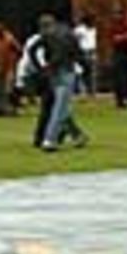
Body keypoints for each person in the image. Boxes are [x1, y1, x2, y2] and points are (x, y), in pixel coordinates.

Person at [36, 12, 89, 153]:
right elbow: (77, 53)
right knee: (60, 107)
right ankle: (54, 139)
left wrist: (42, 67)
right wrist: (84, 67)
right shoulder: (67, 34)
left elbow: (32, 50)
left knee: (60, 107)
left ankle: (67, 137)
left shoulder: (46, 35)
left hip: (55, 74)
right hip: (66, 72)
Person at [73, 13, 98, 96]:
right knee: (82, 72)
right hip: (83, 51)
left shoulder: (93, 29)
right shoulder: (79, 30)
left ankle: (93, 91)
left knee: (92, 72)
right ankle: (83, 90)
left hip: (92, 51)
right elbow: (74, 40)